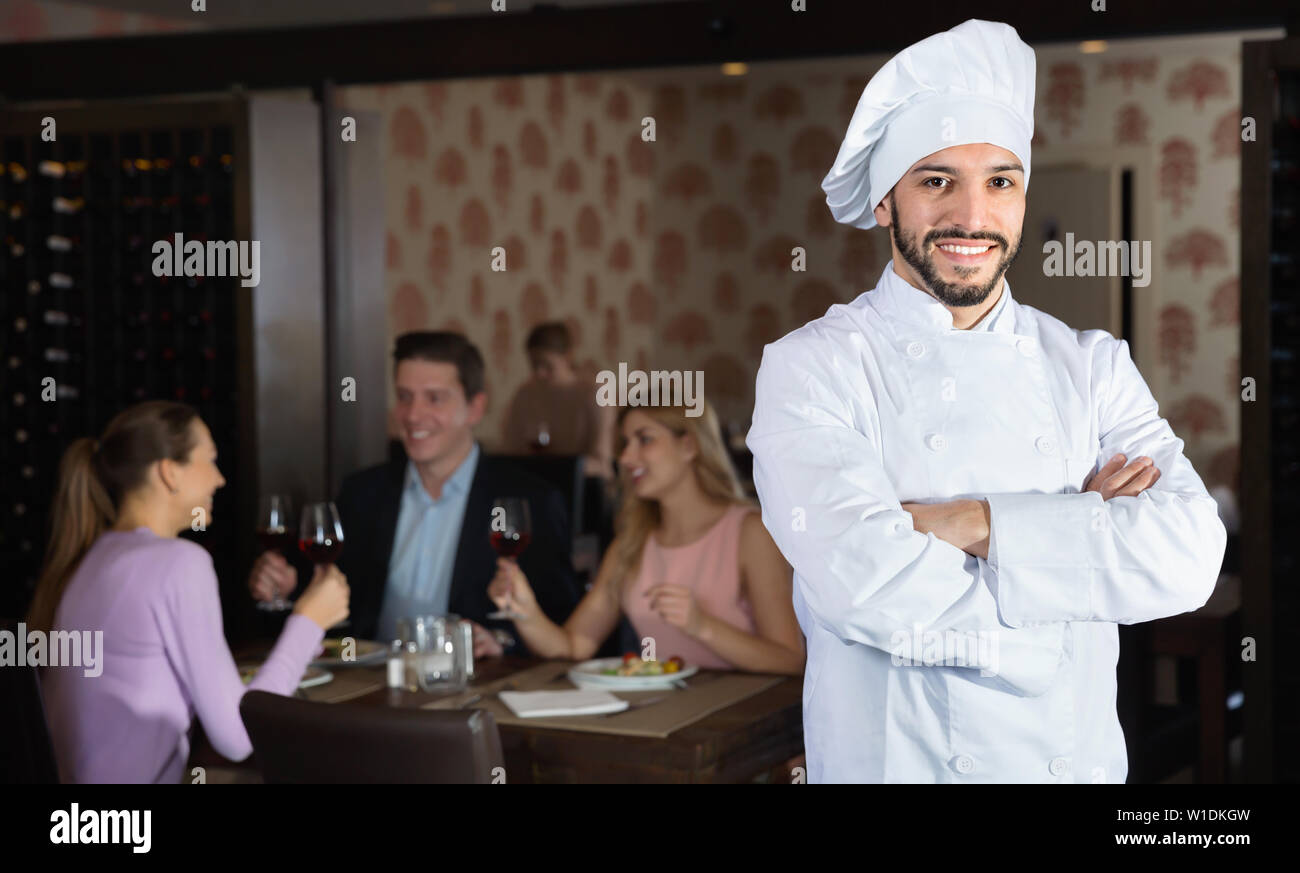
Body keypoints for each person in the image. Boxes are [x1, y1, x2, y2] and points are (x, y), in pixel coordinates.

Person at [747, 19, 1227, 783]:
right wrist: (1072, 568)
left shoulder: (1092, 365)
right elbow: (866, 584)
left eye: (1000, 180)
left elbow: (1190, 554)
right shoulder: (812, 369)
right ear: (883, 202)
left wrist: (972, 522)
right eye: (937, 180)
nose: (972, 215)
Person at [29, 401, 349, 784]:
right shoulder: (180, 562)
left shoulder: (94, 555)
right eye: (210, 460)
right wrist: (307, 622)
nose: (220, 479)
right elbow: (239, 735)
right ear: (169, 473)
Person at [249, 331, 582, 657]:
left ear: (475, 408)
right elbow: (322, 594)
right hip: (367, 692)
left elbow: (562, 622)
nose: (413, 415)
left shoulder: (529, 501)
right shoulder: (363, 493)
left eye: (434, 398)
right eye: (405, 396)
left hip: (474, 695)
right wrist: (285, 587)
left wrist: (501, 641)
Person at [486, 400, 805, 675]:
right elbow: (573, 646)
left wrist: (701, 625)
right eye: (625, 443)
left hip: (741, 726)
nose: (626, 458)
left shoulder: (750, 532)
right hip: (661, 719)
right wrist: (523, 610)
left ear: (689, 446)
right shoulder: (632, 542)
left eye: (645, 439)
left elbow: (790, 660)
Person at [501, 321, 616, 480]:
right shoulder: (525, 394)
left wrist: (555, 467)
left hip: (584, 490)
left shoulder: (595, 394)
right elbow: (511, 454)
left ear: (568, 356)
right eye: (534, 365)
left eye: (547, 365)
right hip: (537, 484)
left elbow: (603, 465)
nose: (540, 373)